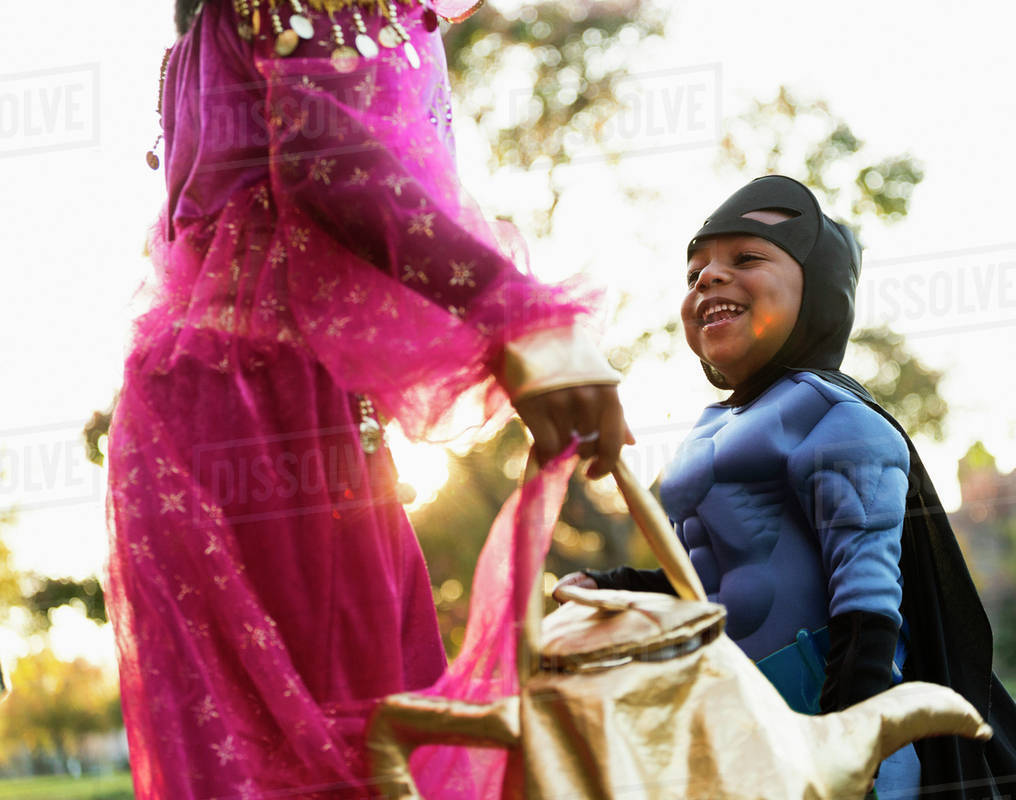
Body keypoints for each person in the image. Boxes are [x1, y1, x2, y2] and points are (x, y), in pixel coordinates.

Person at [106, 1, 630, 796]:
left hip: (228, 411)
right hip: (268, 414)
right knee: (354, 747)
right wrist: (521, 316)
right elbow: (332, 159)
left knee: (314, 751)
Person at [555, 175, 1016, 800]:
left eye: (746, 258)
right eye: (694, 272)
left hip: (842, 746)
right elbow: (709, 588)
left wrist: (845, 744)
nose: (708, 279)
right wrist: (615, 588)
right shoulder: (708, 431)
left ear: (817, 290)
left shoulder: (833, 417)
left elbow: (866, 608)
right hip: (740, 740)